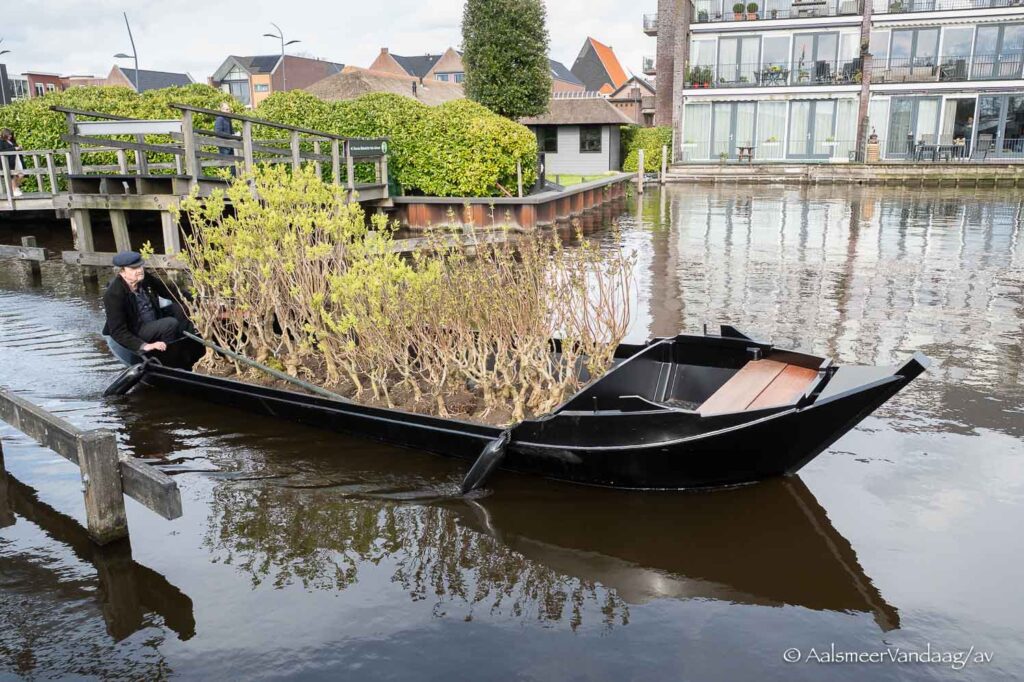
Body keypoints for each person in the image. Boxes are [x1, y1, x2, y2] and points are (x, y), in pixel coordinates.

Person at [102, 250, 194, 364]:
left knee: (181, 308)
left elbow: (169, 291)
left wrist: (195, 301)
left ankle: (187, 347)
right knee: (170, 324)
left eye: (140, 266)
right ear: (122, 272)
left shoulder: (145, 278)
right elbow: (118, 332)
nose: (139, 270)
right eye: (133, 268)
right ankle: (168, 360)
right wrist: (144, 346)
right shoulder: (114, 294)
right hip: (136, 329)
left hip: (152, 319)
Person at [214, 102, 236, 177]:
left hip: (230, 144)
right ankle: (221, 178)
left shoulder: (228, 119)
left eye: (228, 109)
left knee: (234, 162)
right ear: (222, 109)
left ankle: (234, 177)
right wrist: (230, 135)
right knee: (224, 162)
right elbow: (218, 132)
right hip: (223, 144)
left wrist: (235, 135)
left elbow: (231, 131)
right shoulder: (220, 119)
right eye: (226, 109)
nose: (228, 111)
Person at [0, 128, 24, 197]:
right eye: (9, 135)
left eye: (11, 134)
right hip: (8, 161)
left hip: (17, 159)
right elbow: (2, 151)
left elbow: (15, 148)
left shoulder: (12, 141)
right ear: (4, 134)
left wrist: (19, 148)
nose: (10, 136)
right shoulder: (1, 141)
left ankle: (15, 188)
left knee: (21, 174)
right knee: (13, 175)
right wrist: (14, 148)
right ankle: (14, 189)